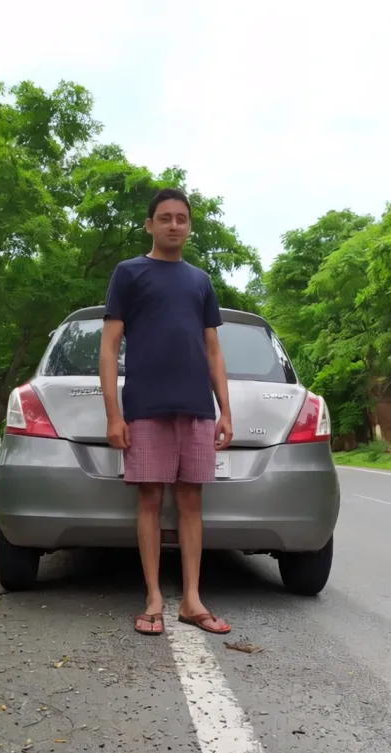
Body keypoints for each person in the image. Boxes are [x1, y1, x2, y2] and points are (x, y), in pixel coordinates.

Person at [99, 187, 233, 636]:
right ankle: (154, 597)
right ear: (150, 224)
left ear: (189, 225)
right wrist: (113, 415)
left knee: (192, 501)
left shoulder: (200, 281)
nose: (174, 224)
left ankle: (192, 600)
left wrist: (224, 410)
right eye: (165, 217)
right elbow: (109, 346)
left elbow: (213, 350)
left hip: (196, 408)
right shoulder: (129, 273)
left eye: (181, 218)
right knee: (150, 499)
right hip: (145, 407)